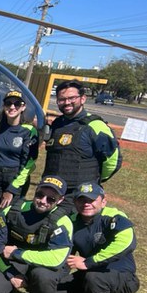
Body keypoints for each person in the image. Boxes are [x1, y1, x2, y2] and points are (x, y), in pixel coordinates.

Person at [66, 182, 139, 293]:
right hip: (88, 275)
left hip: (122, 276)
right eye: (81, 200)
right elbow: (63, 252)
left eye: (91, 200)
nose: (86, 204)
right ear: (75, 202)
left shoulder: (114, 217)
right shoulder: (71, 221)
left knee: (95, 278)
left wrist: (87, 262)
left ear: (103, 201)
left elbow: (127, 242)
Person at [43, 79, 121, 212]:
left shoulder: (95, 125)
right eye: (62, 99)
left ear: (83, 99)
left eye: (71, 98)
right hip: (51, 192)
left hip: (78, 195)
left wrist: (94, 178)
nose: (67, 102)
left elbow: (113, 160)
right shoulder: (57, 124)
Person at [0, 90, 39, 209]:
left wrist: (12, 188)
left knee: (4, 217)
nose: (12, 107)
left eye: (17, 104)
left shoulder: (29, 131)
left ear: (23, 107)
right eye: (8, 103)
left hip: (15, 178)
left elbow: (29, 163)